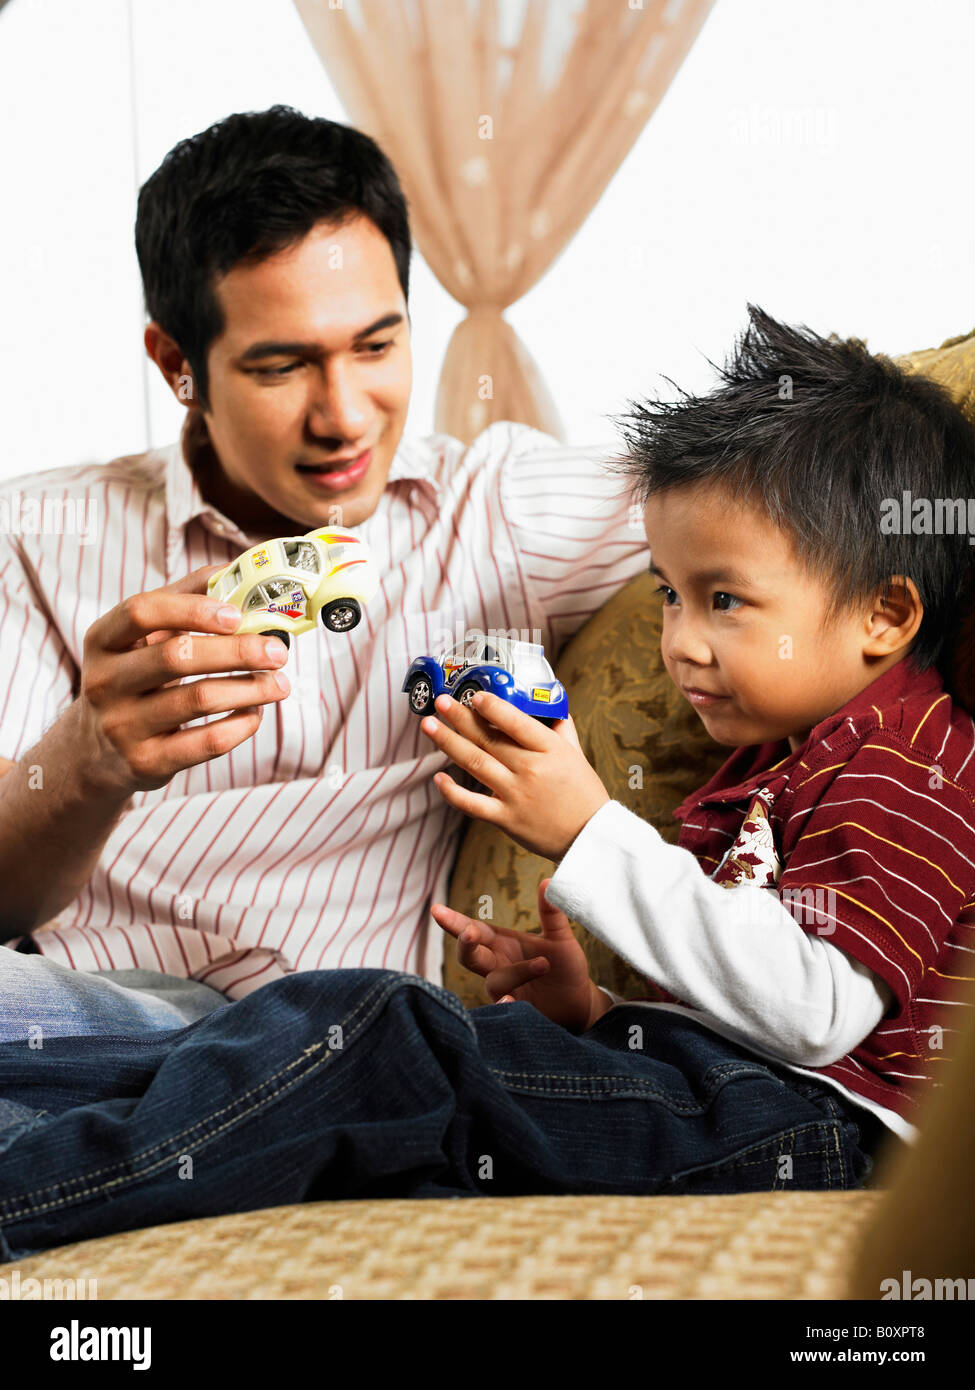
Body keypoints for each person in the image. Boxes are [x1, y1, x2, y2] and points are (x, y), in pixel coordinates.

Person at [3, 306, 973, 1261]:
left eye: (724, 601)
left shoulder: (907, 761)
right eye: (669, 594)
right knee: (315, 1075)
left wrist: (587, 828)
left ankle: (31, 1200)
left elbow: (818, 1012)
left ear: (886, 613)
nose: (680, 641)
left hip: (813, 1135)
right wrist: (591, 1014)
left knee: (380, 1028)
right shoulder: (790, 754)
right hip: (731, 1105)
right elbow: (755, 986)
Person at [0, 106, 646, 1028]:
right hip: (90, 1025)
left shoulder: (493, 511)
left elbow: (780, 500)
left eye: (376, 346)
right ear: (179, 365)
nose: (344, 415)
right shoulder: (35, 533)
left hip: (334, 1043)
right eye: (280, 367)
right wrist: (89, 757)